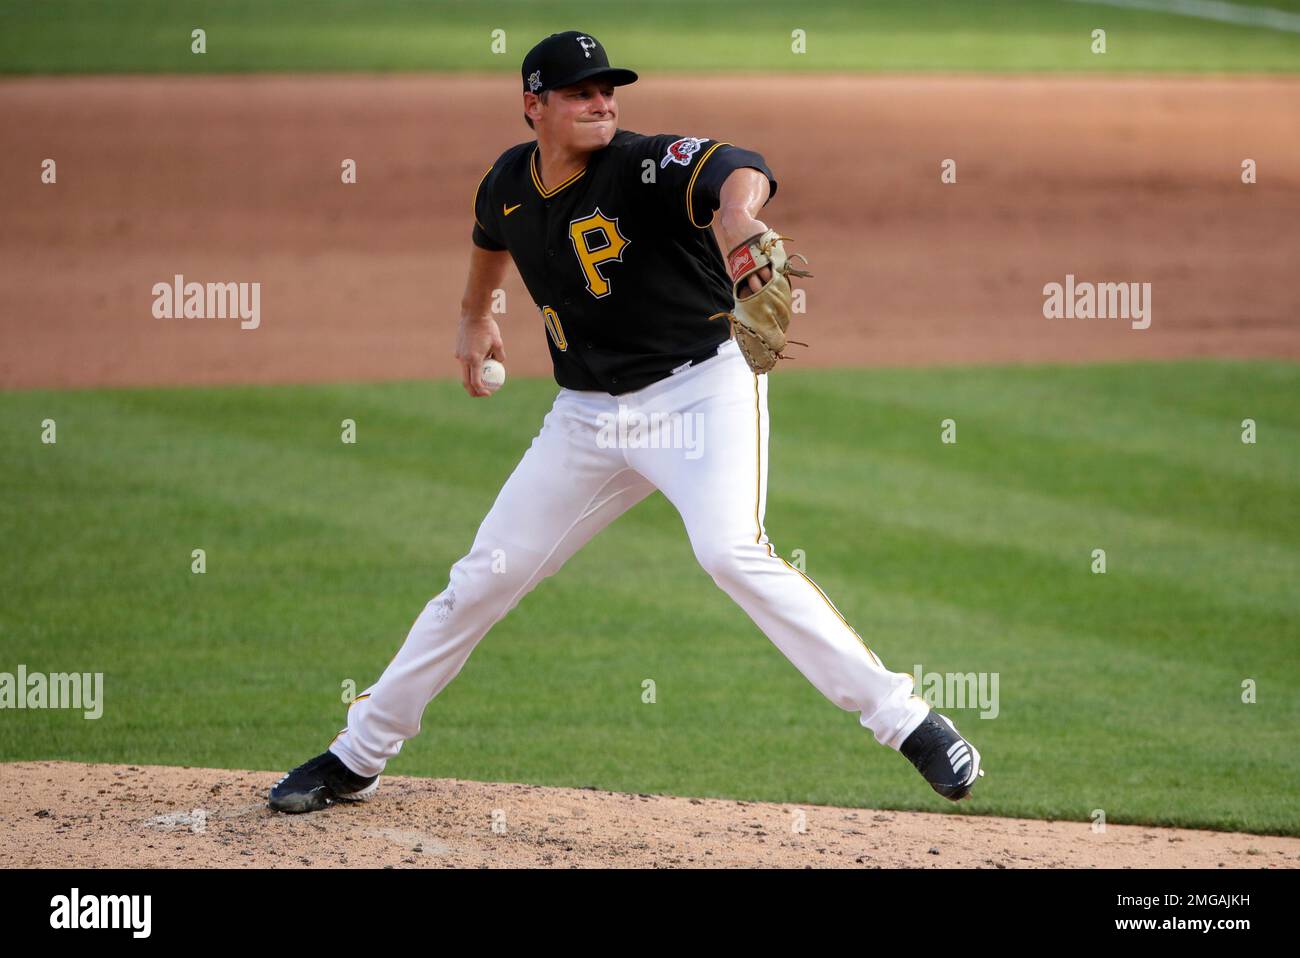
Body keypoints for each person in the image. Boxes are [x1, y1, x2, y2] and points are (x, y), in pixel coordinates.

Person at [269, 30, 983, 814]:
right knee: (486, 576)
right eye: (580, 92)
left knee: (729, 552)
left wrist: (739, 221)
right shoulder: (509, 180)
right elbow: (490, 233)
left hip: (699, 395)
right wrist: (475, 317)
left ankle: (908, 721)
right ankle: (360, 753)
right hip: (584, 418)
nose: (601, 102)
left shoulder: (641, 164)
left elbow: (738, 166)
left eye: (608, 89)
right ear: (533, 107)